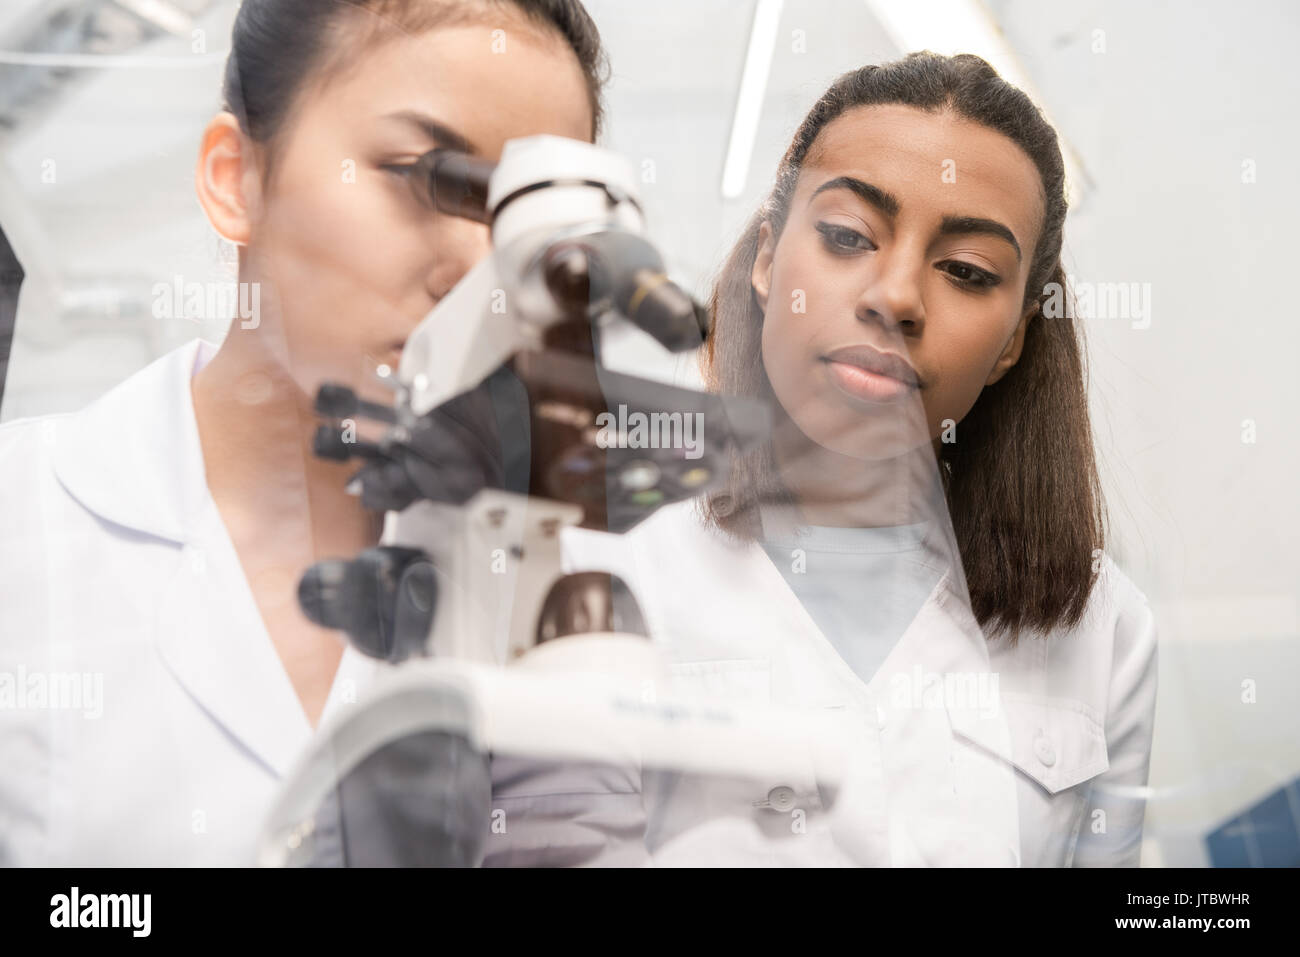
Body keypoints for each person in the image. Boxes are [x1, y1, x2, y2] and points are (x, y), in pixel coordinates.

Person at [0, 0, 607, 866]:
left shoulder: (563, 603)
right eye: (420, 175)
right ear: (234, 177)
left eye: (525, 222)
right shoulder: (22, 523)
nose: (477, 270)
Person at [547, 51, 1158, 866]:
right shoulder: (594, 552)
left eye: (968, 272)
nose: (897, 296)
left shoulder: (1103, 629)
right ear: (768, 258)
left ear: (1014, 341)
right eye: (846, 236)